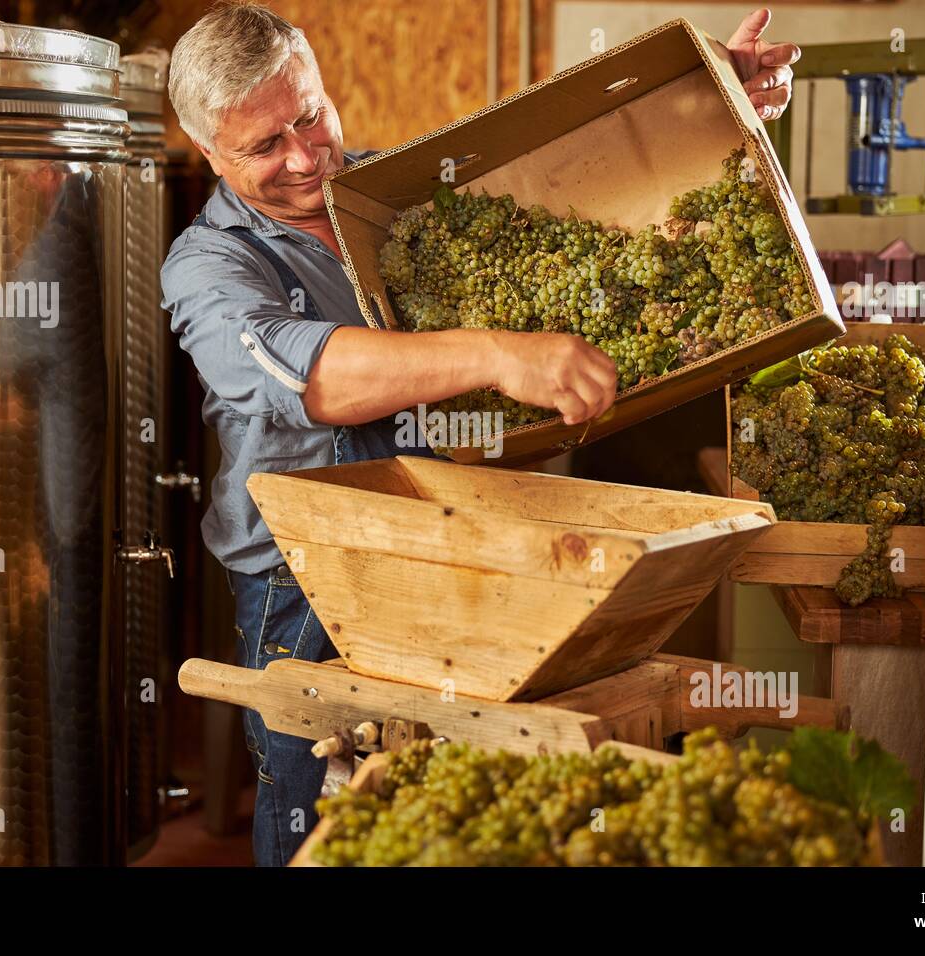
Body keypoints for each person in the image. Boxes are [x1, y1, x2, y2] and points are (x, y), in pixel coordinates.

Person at [161, 1, 801, 866]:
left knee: (452, 799)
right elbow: (315, 376)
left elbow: (572, 178)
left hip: (459, 542)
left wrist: (705, 103)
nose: (306, 157)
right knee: (320, 804)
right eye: (264, 147)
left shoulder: (401, 197)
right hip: (306, 579)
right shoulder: (208, 266)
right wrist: (498, 355)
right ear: (209, 152)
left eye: (310, 116)